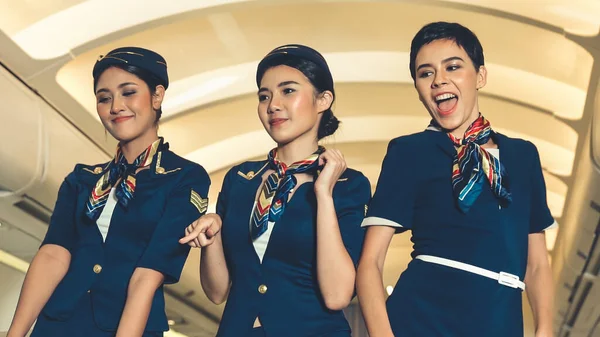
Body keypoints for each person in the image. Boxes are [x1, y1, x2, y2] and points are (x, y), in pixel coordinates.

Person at [356, 22, 555, 337]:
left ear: (480, 76)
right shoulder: (409, 152)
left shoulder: (523, 156)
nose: (439, 80)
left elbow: (537, 264)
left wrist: (545, 330)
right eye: (426, 73)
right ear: (419, 89)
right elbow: (370, 263)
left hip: (501, 321)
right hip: (421, 319)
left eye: (453, 67)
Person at [7, 47, 211, 337]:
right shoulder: (81, 180)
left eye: (128, 92)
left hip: (130, 326)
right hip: (59, 323)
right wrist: (16, 334)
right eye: (104, 98)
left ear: (157, 96)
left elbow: (148, 274)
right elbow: (54, 254)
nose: (115, 106)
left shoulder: (184, 178)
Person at [180, 44, 371, 337]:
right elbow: (217, 292)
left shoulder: (349, 185)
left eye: (288, 91)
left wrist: (323, 194)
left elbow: (337, 295)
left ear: (323, 100)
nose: (273, 105)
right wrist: (212, 239)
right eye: (264, 96)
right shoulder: (240, 179)